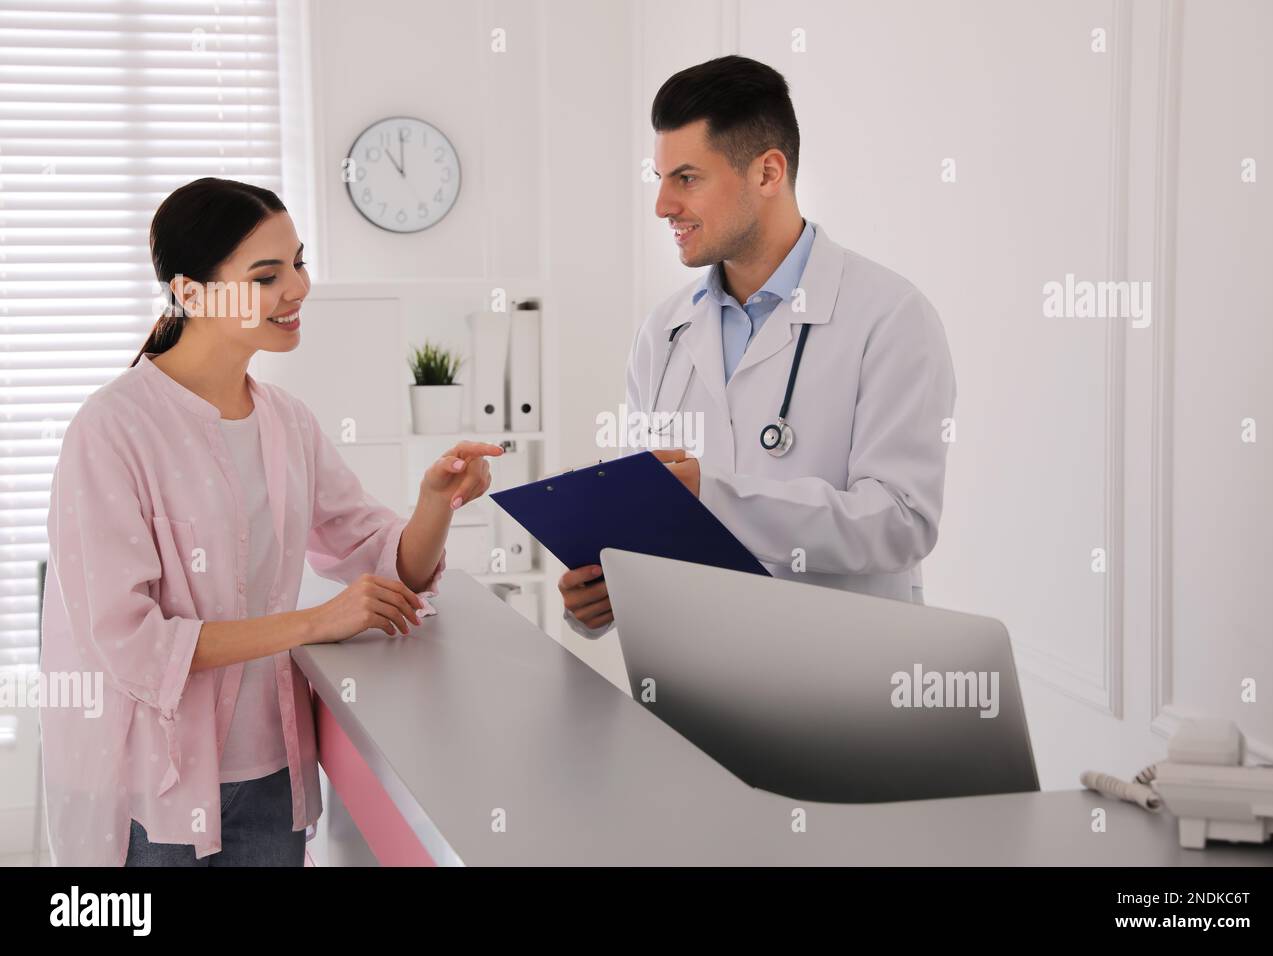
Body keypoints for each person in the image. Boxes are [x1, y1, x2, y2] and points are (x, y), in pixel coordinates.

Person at [39, 177, 502, 865]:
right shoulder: (112, 429)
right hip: (157, 786)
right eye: (266, 275)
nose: (297, 288)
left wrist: (437, 502)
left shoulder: (286, 422)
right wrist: (316, 623)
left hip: (272, 776)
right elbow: (130, 643)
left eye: (298, 262)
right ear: (190, 293)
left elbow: (377, 559)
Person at [560, 55, 957, 637]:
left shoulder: (891, 317)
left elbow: (901, 523)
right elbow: (637, 524)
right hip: (686, 675)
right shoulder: (663, 332)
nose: (662, 205)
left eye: (686, 178)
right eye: (660, 179)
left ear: (768, 173)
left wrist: (715, 495)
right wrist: (599, 595)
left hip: (838, 687)